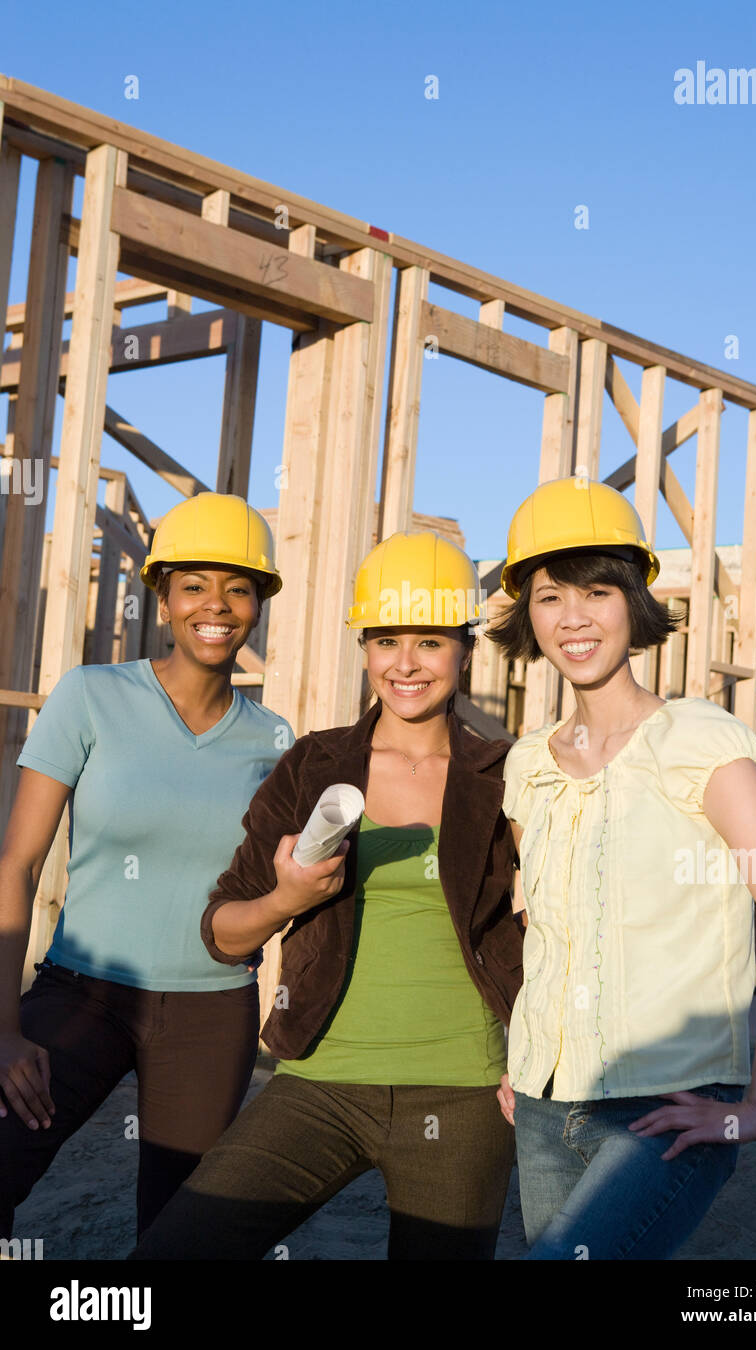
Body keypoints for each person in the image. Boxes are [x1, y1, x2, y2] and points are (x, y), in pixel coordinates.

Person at [130, 530, 524, 1261]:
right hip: (320, 1084)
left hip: (464, 1092)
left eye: (430, 642)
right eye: (386, 641)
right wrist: (285, 897)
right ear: (366, 649)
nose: (405, 665)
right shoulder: (315, 763)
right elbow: (225, 931)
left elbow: (556, 926)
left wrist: (534, 1054)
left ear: (465, 650)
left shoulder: (508, 775)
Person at [488, 478, 756, 1260]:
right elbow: (540, 920)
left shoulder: (700, 741)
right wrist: (524, 1052)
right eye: (549, 597)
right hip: (543, 1108)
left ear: (634, 602)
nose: (573, 618)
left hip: (667, 1108)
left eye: (596, 591)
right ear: (526, 616)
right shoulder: (529, 764)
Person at [0, 493, 290, 1239]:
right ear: (164, 599)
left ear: (259, 604)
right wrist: (4, 1029)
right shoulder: (92, 697)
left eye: (238, 588)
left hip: (212, 1010)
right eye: (193, 585)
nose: (215, 606)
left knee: (177, 1231)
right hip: (83, 996)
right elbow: (18, 865)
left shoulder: (274, 739)